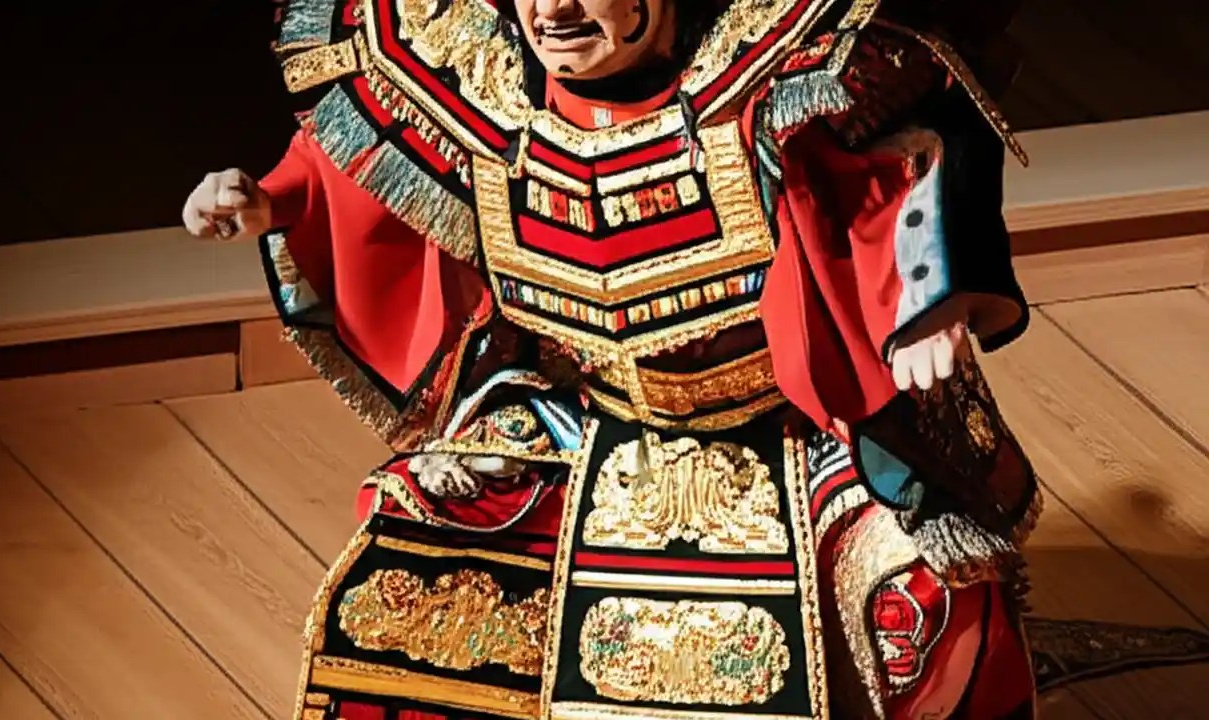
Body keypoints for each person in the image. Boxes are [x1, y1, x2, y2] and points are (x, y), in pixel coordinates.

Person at [183, 1, 1051, 717]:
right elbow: (350, 175)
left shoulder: (753, 96)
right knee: (412, 540)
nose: (553, 11)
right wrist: (271, 201)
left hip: (784, 432)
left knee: (914, 601)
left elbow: (905, 155)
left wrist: (930, 297)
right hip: (587, 425)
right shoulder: (481, 105)